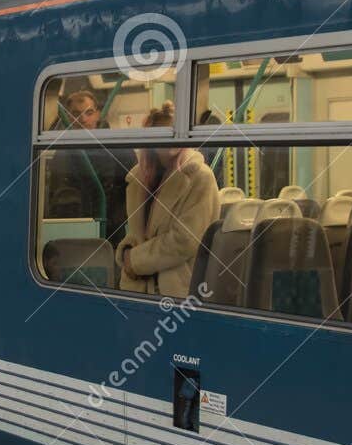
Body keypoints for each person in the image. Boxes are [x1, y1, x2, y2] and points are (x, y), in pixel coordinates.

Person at [115, 104, 221, 297]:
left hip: (177, 288)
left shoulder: (199, 177)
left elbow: (185, 241)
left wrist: (136, 261)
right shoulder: (139, 178)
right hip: (138, 287)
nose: (172, 138)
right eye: (164, 132)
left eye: (176, 131)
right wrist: (126, 252)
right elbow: (137, 233)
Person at [46, 89, 132, 244]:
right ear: (68, 117)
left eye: (89, 112)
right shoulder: (62, 154)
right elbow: (56, 193)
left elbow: (131, 187)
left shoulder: (119, 147)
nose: (83, 119)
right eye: (76, 113)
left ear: (98, 114)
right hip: (76, 228)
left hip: (114, 231)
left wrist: (117, 221)